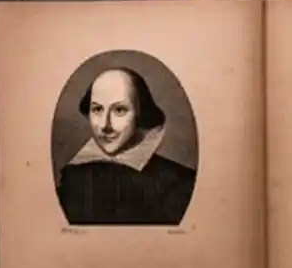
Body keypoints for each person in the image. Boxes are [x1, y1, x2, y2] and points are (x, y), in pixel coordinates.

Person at [56, 67, 195, 224]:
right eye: (97, 109)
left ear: (140, 114)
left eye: (119, 110)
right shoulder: (72, 178)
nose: (105, 125)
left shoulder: (178, 182)